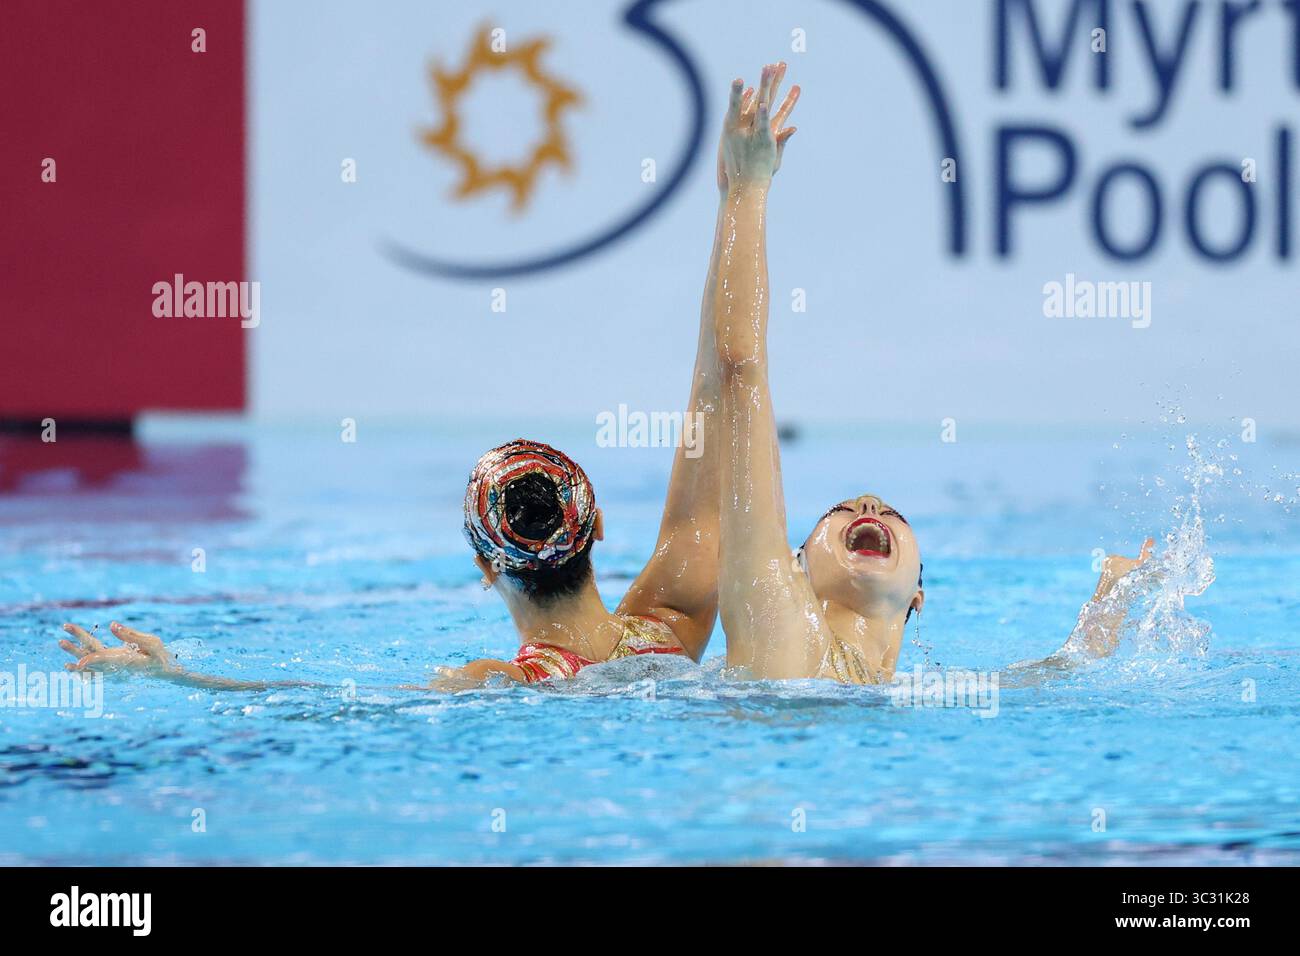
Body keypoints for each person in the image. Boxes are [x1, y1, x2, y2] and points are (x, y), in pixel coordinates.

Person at [708, 62, 1153, 684]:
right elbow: (739, 373)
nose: (870, 505)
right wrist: (747, 196)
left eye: (896, 518)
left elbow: (1068, 671)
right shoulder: (781, 630)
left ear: (919, 592)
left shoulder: (937, 691)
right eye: (842, 508)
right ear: (793, 567)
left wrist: (1111, 596)